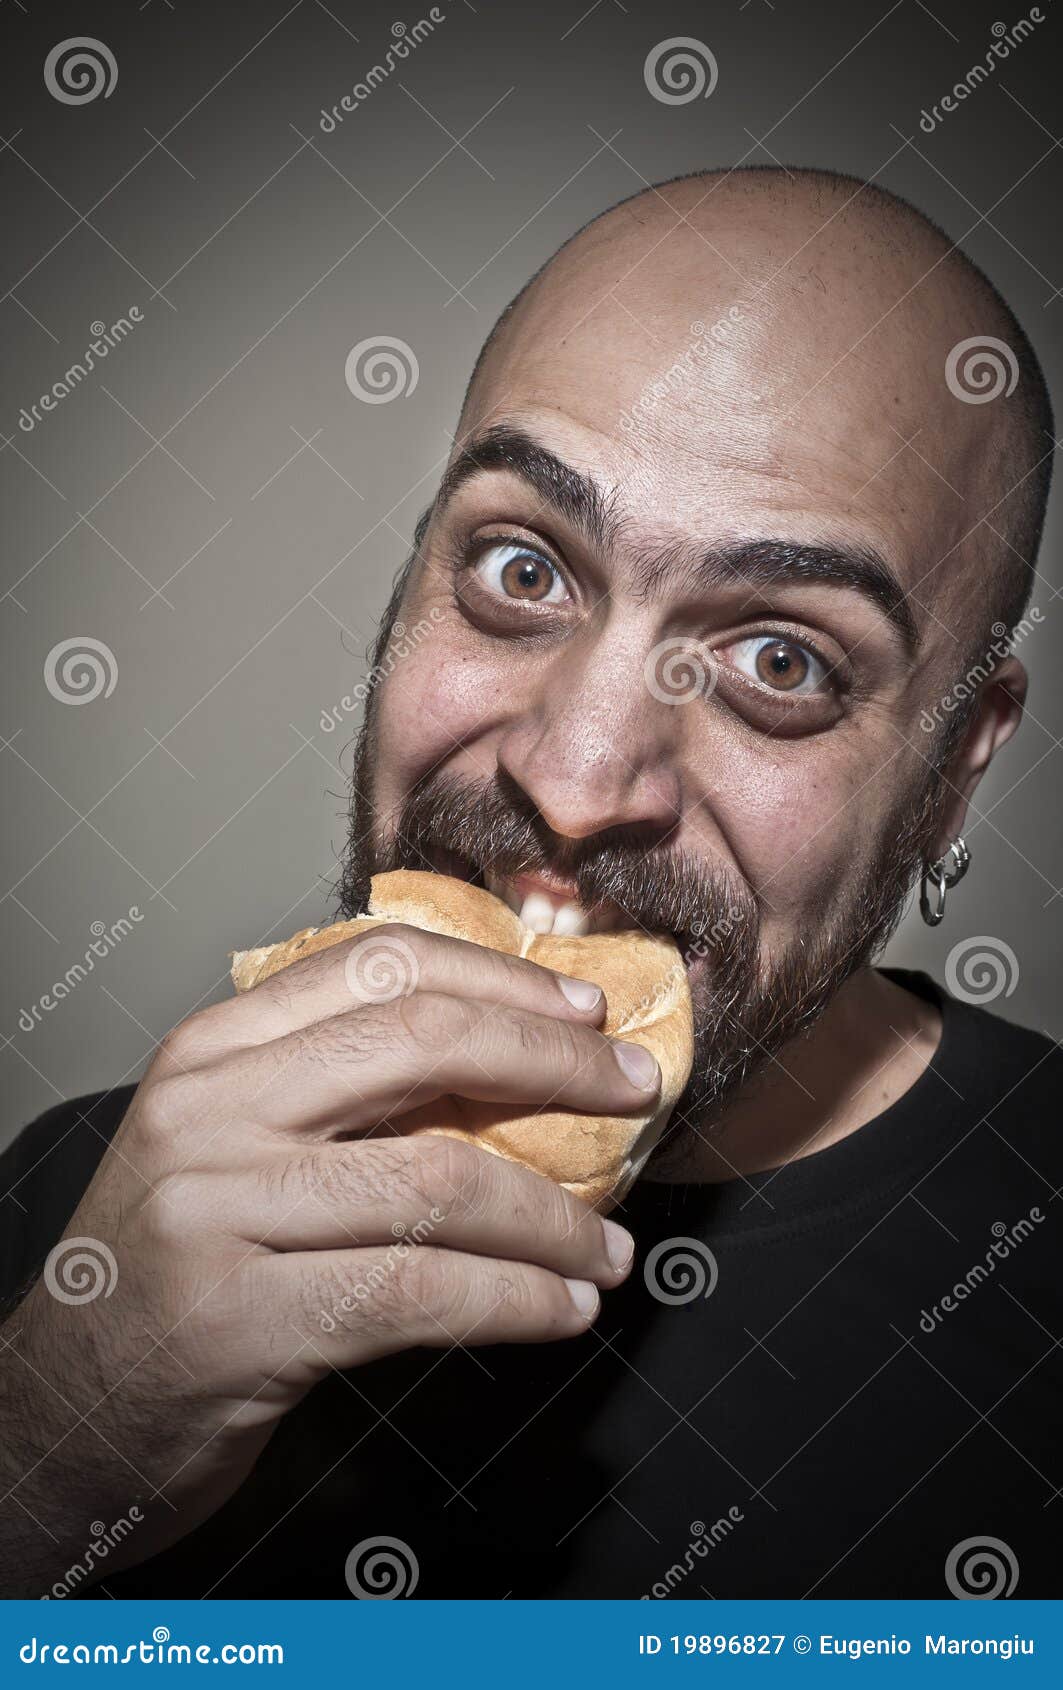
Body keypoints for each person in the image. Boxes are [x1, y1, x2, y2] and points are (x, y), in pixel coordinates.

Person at [1, 166, 1059, 1601]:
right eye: (522, 564)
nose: (569, 780)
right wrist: (43, 1468)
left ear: (950, 766)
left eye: (781, 662)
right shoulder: (91, 1218)